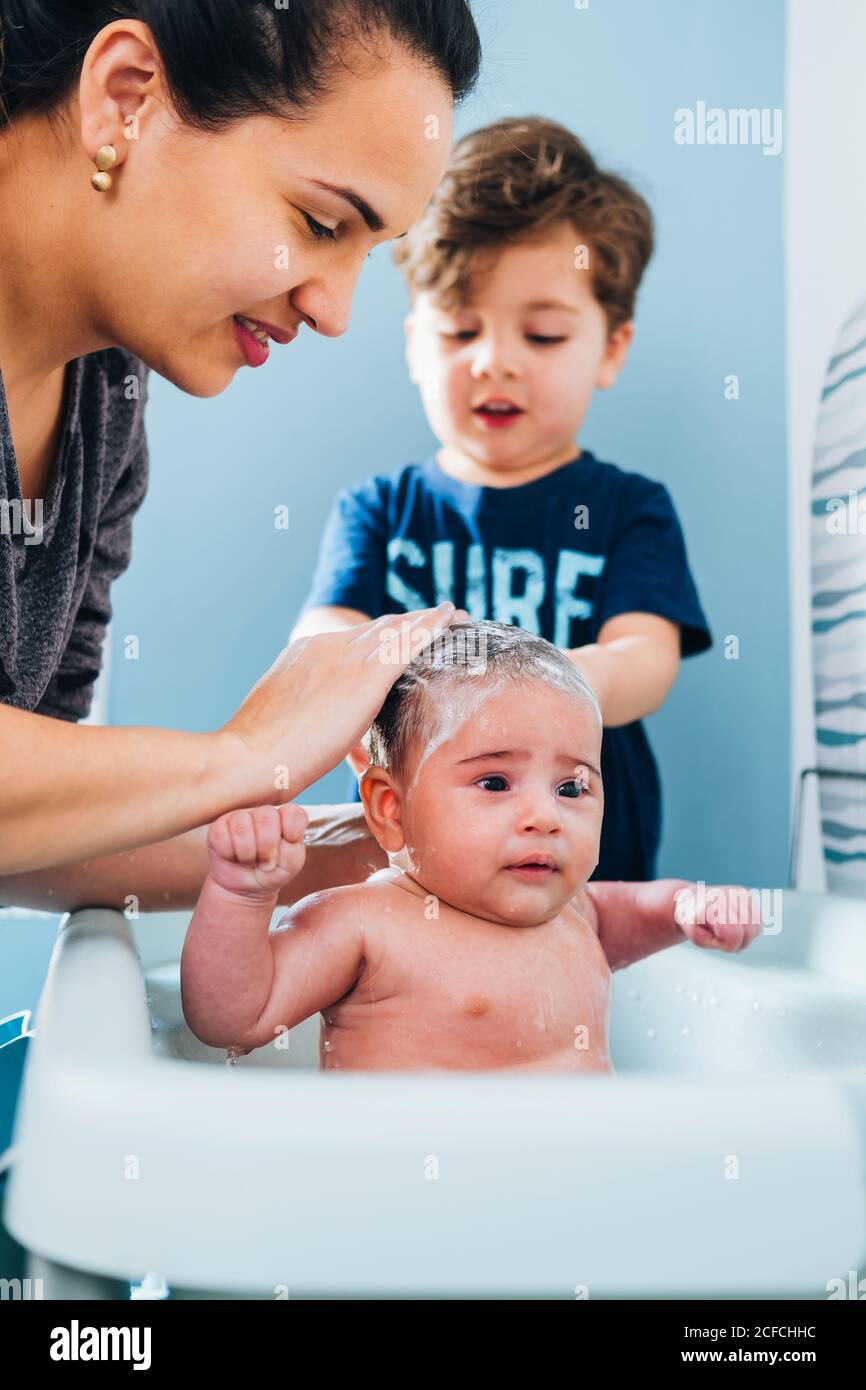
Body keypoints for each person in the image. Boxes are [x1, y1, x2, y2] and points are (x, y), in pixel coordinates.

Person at [0, 0, 483, 909]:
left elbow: (28, 825)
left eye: (370, 253)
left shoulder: (106, 406)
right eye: (319, 222)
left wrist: (372, 849)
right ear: (127, 96)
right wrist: (253, 753)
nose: (335, 312)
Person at [293, 116, 712, 881]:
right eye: (459, 331)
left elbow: (644, 660)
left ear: (610, 348)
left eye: (543, 336)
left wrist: (547, 687)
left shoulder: (629, 509)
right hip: (408, 878)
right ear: (415, 340)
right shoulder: (379, 512)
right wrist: (337, 683)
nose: (495, 363)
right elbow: (323, 645)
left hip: (583, 876)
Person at [180, 623, 759, 1072]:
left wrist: (687, 907)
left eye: (571, 787)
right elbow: (233, 1017)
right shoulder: (362, 924)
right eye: (495, 783)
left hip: (576, 1189)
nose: (544, 816)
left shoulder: (575, 911)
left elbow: (628, 912)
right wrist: (241, 895)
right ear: (391, 808)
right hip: (423, 1201)